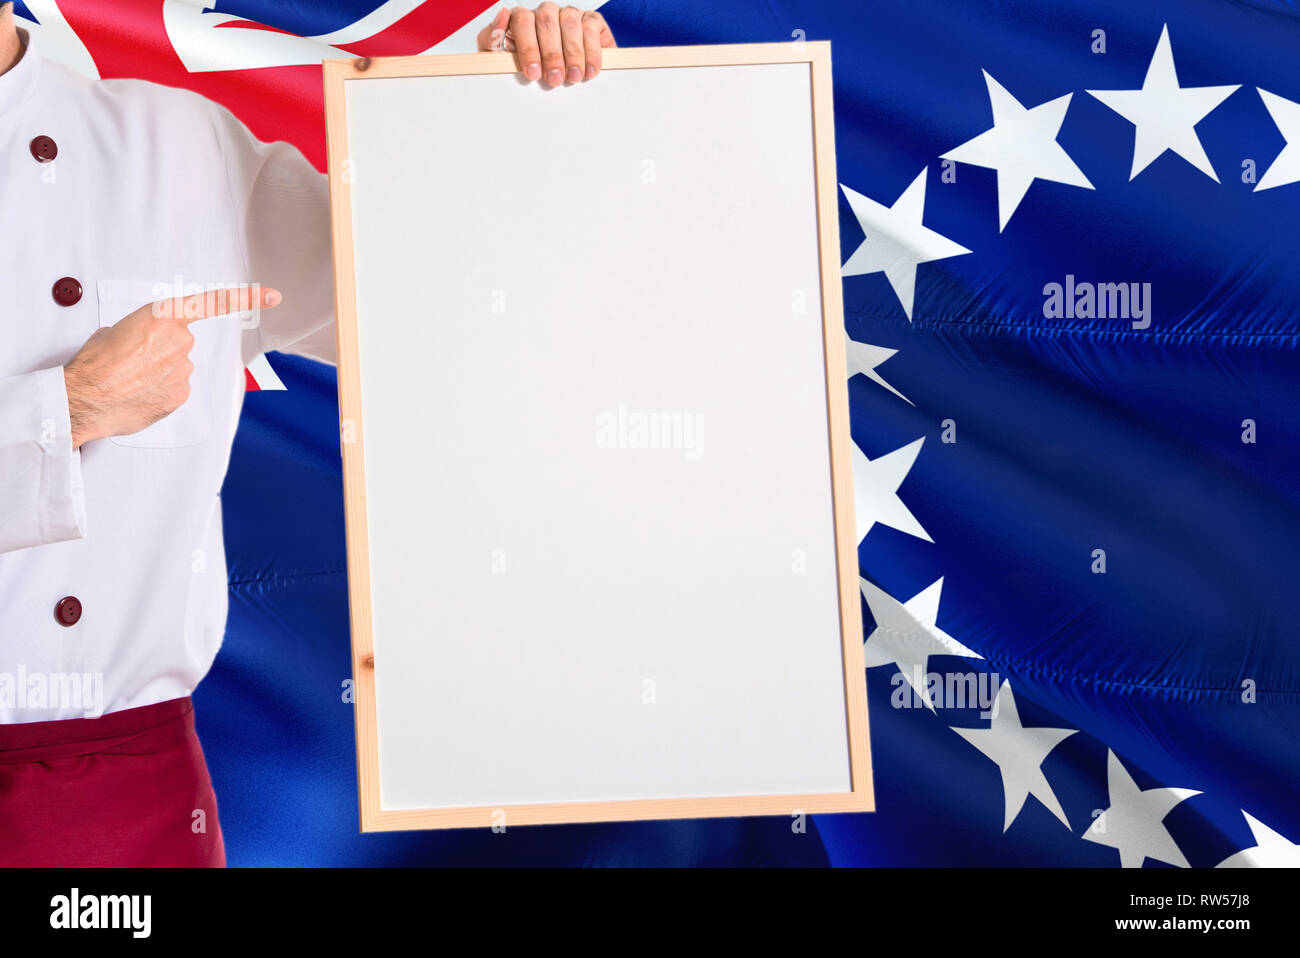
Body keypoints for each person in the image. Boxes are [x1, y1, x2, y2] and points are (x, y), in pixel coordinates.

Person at [0, 2, 617, 867]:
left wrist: (505, 109)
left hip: (132, 797)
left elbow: (434, 305)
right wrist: (70, 411)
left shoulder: (185, 147)